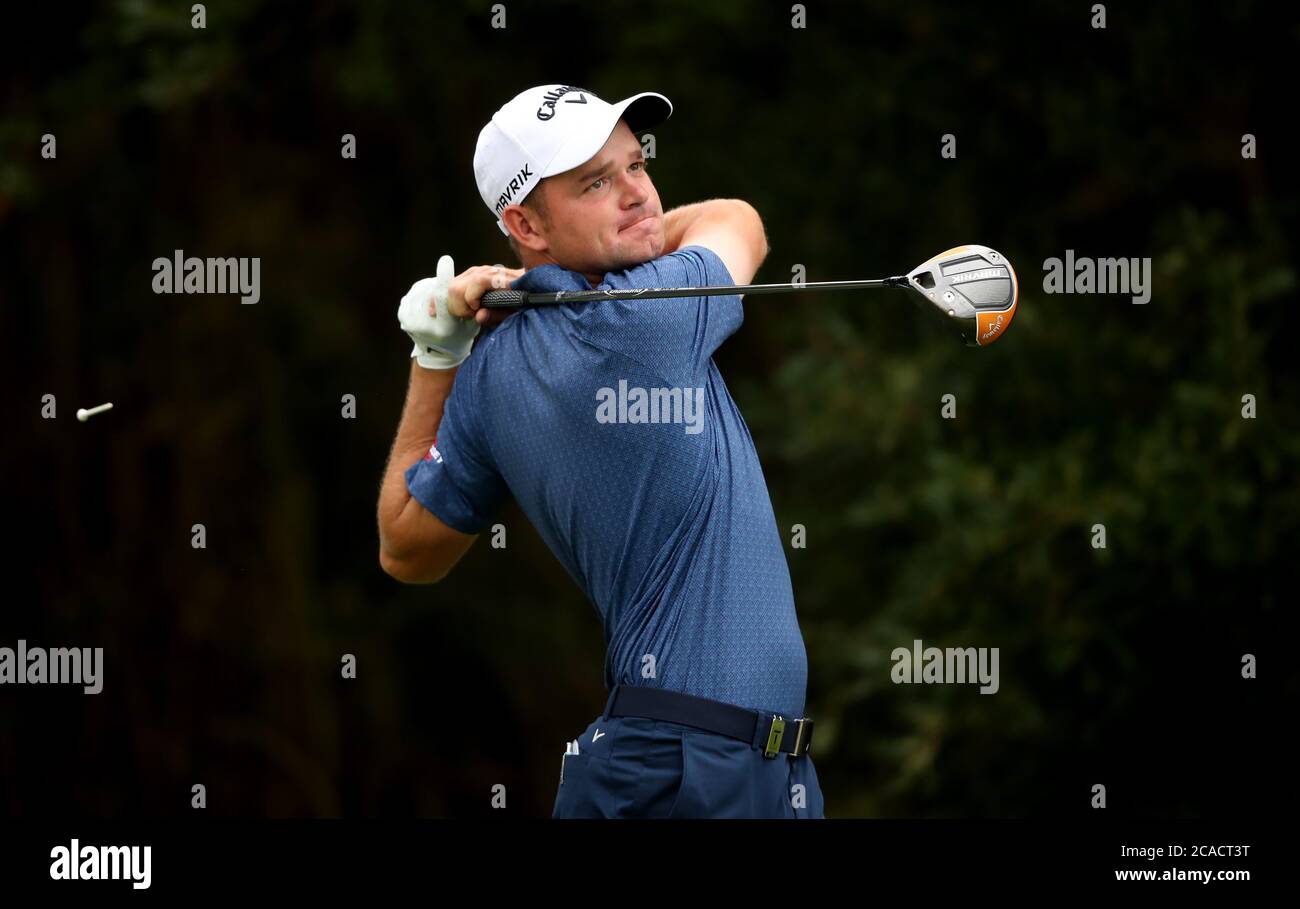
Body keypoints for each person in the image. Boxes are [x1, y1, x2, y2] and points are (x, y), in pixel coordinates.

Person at [377, 84, 823, 818]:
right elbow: (737, 221)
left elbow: (404, 545)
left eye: (637, 166)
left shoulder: (489, 371)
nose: (637, 195)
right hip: (690, 768)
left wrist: (436, 351)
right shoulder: (645, 319)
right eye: (595, 182)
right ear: (524, 222)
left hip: (732, 766)